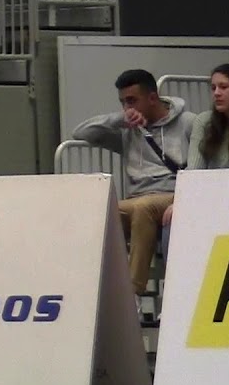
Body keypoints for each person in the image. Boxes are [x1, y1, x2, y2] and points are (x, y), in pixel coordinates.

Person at [71, 69, 194, 295]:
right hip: (137, 198)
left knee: (142, 208)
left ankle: (132, 294)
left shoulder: (187, 122)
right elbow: (81, 132)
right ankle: (88, 292)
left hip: (173, 195)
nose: (127, 108)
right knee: (99, 212)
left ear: (152, 98)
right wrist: (120, 120)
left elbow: (200, 161)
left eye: (132, 101)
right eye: (123, 103)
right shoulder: (129, 131)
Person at [162, 63, 229, 226]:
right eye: (213, 88)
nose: (217, 93)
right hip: (210, 194)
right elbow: (194, 171)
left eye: (224, 87)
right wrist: (181, 202)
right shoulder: (203, 121)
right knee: (173, 219)